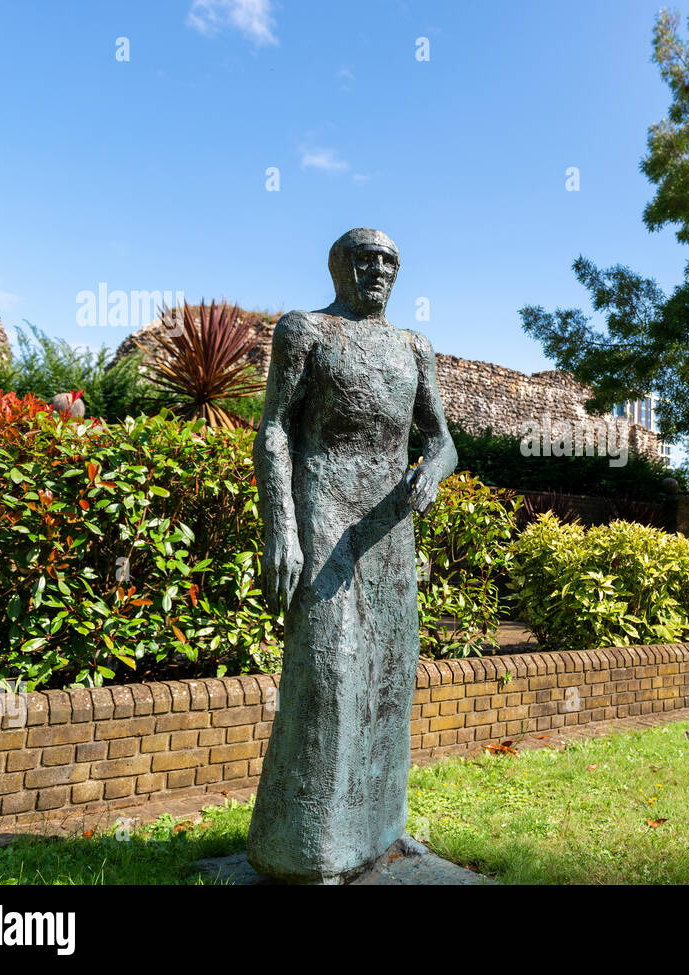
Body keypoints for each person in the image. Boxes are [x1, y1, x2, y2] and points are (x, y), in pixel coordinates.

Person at [247, 228, 456, 883]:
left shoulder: (411, 347)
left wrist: (434, 470)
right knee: (329, 675)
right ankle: (309, 850)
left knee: (388, 680)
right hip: (324, 508)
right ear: (340, 265)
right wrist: (281, 525)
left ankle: (377, 831)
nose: (378, 268)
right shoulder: (305, 330)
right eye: (365, 257)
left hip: (389, 525)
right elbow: (275, 428)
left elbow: (444, 439)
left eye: (389, 259)